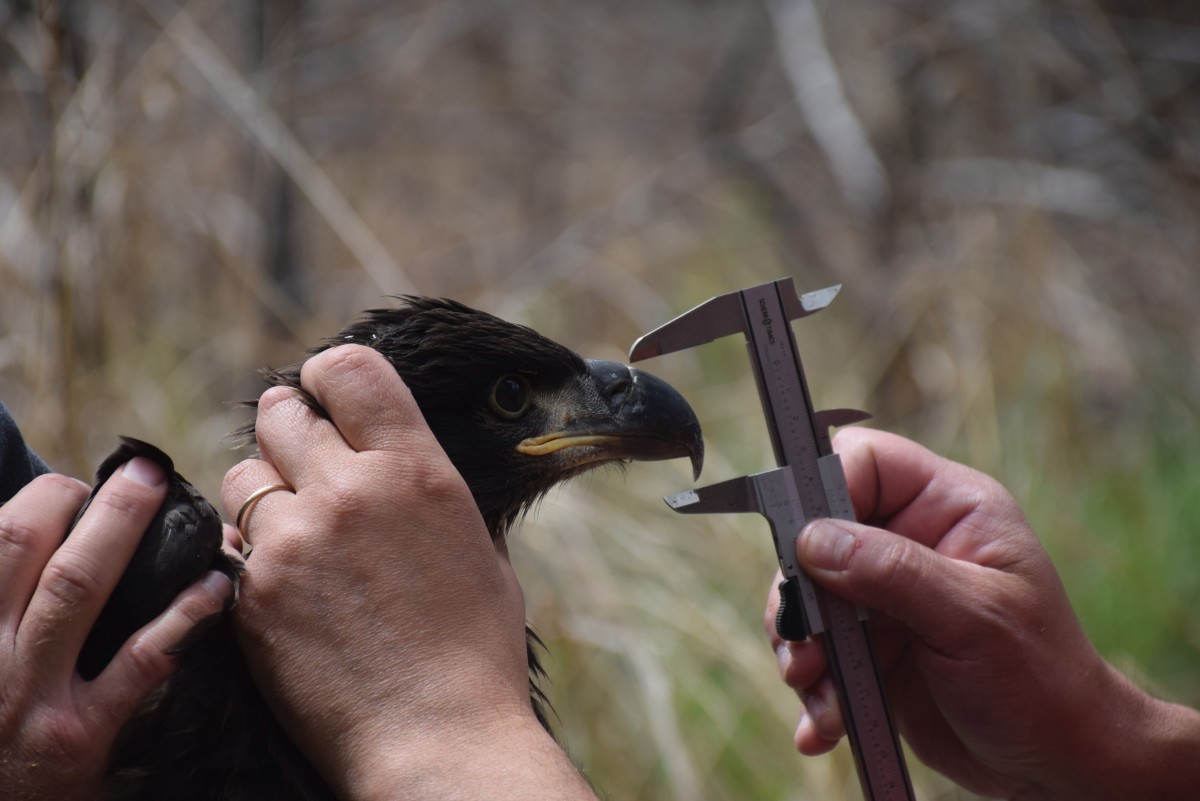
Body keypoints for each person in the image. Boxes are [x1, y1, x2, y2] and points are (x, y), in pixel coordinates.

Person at [3, 345, 1198, 799]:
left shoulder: (458, 689)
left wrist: (442, 731)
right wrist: (1112, 747)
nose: (615, 405)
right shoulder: (148, 582)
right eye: (513, 401)